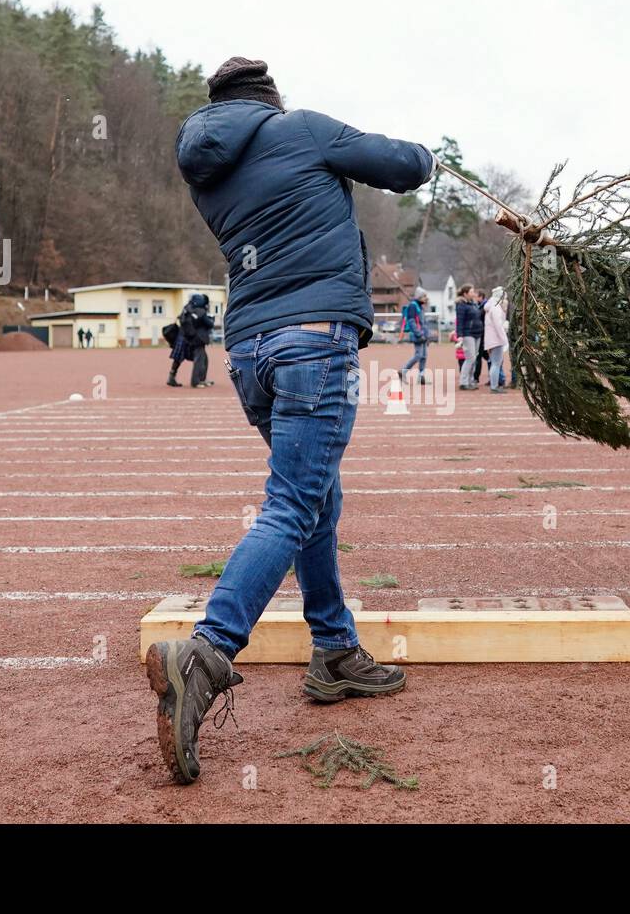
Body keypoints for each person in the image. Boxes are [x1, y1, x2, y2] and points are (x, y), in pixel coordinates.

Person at [147, 56, 435, 785]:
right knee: (294, 503)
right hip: (314, 339)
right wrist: (433, 154)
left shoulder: (204, 170)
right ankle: (206, 652)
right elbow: (398, 166)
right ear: (268, 98)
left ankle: (335, 648)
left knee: (316, 497)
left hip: (249, 351)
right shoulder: (299, 129)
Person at [184, 293, 216, 387]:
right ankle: (195, 382)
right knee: (199, 360)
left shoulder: (191, 309)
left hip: (194, 338)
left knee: (204, 359)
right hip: (199, 339)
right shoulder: (201, 311)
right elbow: (210, 324)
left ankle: (202, 379)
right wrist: (211, 319)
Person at [483, 286, 510, 393]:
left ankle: (494, 385)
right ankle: (494, 386)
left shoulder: (492, 306)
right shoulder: (495, 307)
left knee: (495, 363)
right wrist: (504, 340)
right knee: (496, 364)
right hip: (496, 339)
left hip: (492, 339)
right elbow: (498, 325)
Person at [455, 283, 482, 390]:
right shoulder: (461, 305)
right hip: (468, 334)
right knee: (470, 358)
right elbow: (460, 321)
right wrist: (460, 335)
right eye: (471, 291)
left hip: (477, 334)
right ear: (465, 293)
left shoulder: (473, 304)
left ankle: (470, 381)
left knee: (474, 359)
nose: (473, 293)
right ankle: (463, 381)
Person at [400, 288, 429, 383]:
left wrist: (426, 334)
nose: (426, 298)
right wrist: (419, 334)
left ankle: (421, 376)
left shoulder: (420, 306)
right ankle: (403, 371)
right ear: (419, 296)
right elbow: (411, 321)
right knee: (418, 355)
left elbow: (423, 322)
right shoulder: (413, 306)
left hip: (423, 335)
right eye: (424, 296)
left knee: (424, 356)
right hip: (418, 335)